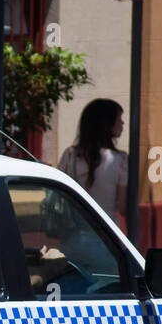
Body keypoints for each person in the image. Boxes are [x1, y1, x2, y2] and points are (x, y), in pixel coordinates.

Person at [57, 98, 128, 228]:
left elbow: (59, 194)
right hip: (106, 235)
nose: (122, 122)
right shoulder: (121, 160)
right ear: (107, 123)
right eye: (119, 118)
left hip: (73, 234)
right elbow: (123, 207)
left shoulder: (70, 154)